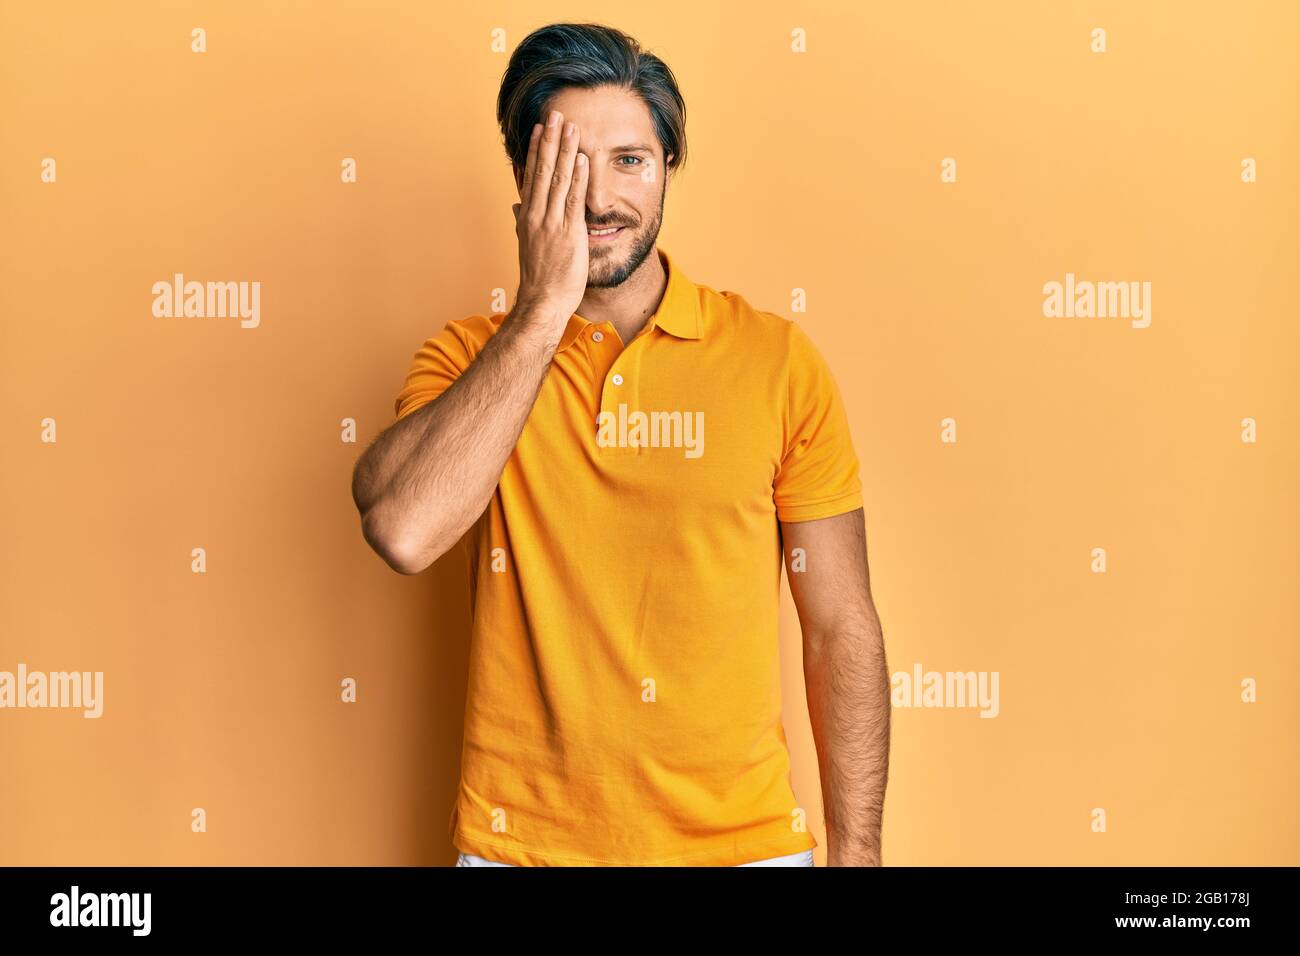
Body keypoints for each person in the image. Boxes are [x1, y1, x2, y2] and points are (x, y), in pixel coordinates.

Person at [352, 21, 889, 867]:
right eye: (568, 165)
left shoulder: (778, 363)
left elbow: (840, 628)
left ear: (668, 167)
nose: (600, 198)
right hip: (517, 851)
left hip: (742, 851)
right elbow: (403, 530)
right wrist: (540, 313)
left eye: (629, 160)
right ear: (524, 179)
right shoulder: (465, 361)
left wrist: (858, 858)